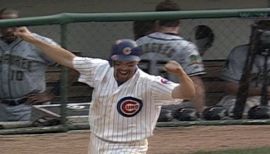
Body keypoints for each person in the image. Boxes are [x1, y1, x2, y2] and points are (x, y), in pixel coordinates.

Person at [15, 26, 195, 153]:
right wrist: (32, 39)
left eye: (130, 63)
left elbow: (187, 93)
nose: (124, 67)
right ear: (112, 60)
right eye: (119, 63)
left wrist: (180, 73)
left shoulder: (150, 83)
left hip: (129, 147)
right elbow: (67, 58)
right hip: (97, 142)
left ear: (137, 62)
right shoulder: (99, 68)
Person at [136, 0, 206, 118]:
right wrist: (199, 113)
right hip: (175, 110)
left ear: (156, 22)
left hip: (143, 106)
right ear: (179, 22)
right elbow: (195, 86)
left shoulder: (138, 43)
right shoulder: (186, 47)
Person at [0, 8, 59, 121]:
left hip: (30, 107)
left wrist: (51, 93)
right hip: (2, 108)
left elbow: (72, 66)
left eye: (13, 25)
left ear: (21, 24)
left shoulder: (38, 43)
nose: (8, 30)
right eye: (4, 25)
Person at [217, 20, 270, 118]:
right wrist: (263, 91)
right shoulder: (239, 53)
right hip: (243, 98)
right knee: (233, 109)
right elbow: (230, 87)